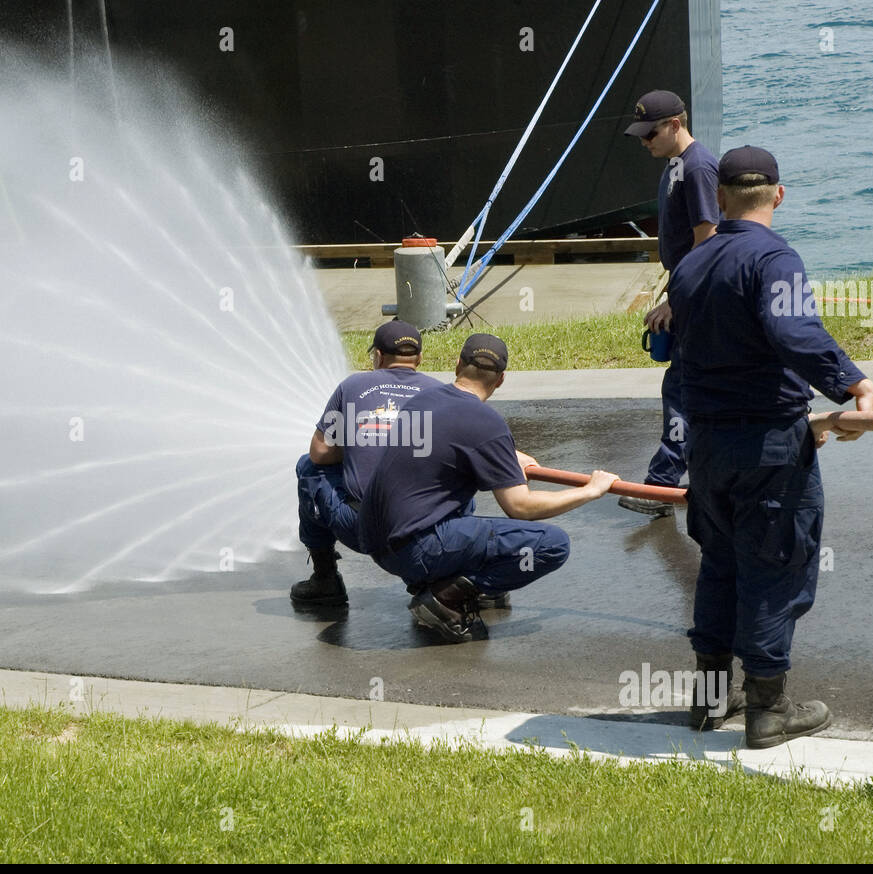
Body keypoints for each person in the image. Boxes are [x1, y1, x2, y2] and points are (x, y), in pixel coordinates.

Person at [667, 145, 873, 748]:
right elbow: (792, 330)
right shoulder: (774, 257)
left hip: (707, 444)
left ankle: (709, 701)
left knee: (721, 563)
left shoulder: (690, 265)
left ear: (723, 198)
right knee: (776, 564)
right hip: (767, 444)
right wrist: (851, 384)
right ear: (777, 195)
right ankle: (768, 711)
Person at [359, 333, 619, 642]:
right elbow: (520, 507)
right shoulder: (487, 423)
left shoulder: (424, 399)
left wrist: (505, 456)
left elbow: (445, 447)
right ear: (501, 380)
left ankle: (430, 583)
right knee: (552, 544)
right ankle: (446, 598)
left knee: (461, 503)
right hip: (416, 550)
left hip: (378, 543)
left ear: (458, 366)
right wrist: (590, 490)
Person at [621, 89, 720, 518]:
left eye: (651, 134)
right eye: (641, 136)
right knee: (694, 391)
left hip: (698, 302)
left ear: (676, 125)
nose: (645, 143)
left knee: (681, 391)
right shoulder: (674, 166)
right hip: (685, 292)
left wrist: (678, 305)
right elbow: (682, 249)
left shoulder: (698, 168)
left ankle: (661, 486)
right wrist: (667, 293)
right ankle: (711, 480)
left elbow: (708, 242)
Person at [291, 319, 438, 607]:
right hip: (428, 528)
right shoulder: (441, 392)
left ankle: (325, 579)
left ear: (378, 357)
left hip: (364, 528)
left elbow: (319, 453)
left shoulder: (352, 385)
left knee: (308, 469)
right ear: (419, 358)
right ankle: (458, 579)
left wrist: (361, 448)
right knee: (457, 479)